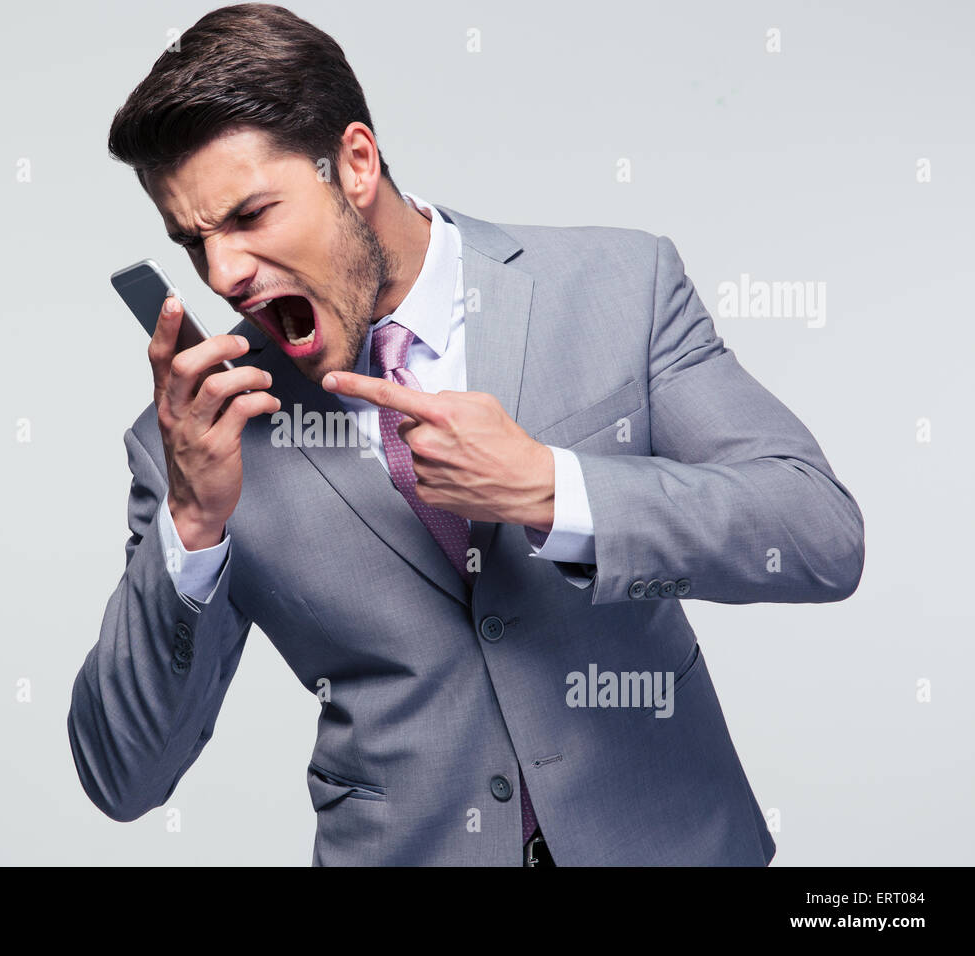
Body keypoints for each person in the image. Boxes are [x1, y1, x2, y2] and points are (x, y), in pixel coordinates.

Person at [67, 3, 865, 866]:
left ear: (356, 163)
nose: (223, 274)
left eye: (251, 215)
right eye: (194, 240)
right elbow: (123, 775)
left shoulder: (620, 288)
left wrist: (554, 490)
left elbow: (818, 535)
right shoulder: (189, 442)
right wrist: (191, 526)